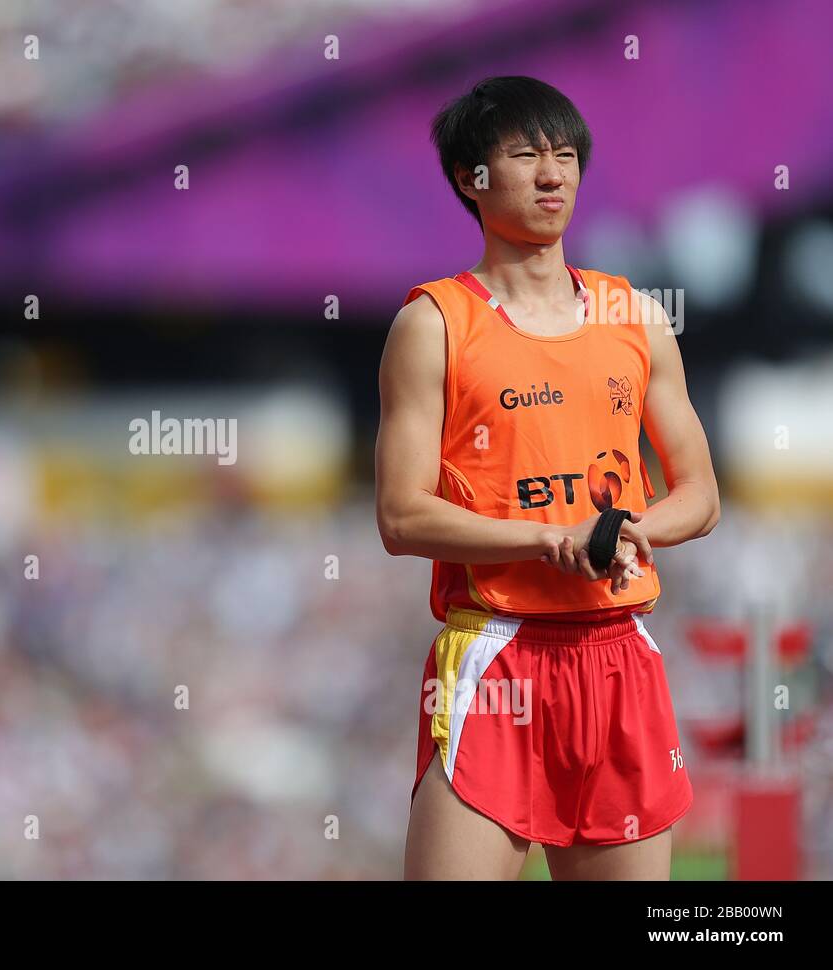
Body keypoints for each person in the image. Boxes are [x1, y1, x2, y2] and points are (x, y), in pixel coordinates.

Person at [376, 77, 721, 880]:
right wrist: (545, 539)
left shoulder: (633, 315)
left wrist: (640, 529)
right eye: (526, 155)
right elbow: (400, 517)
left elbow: (700, 495)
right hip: (498, 656)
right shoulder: (433, 324)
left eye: (565, 156)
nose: (552, 175)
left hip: (618, 656)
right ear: (471, 178)